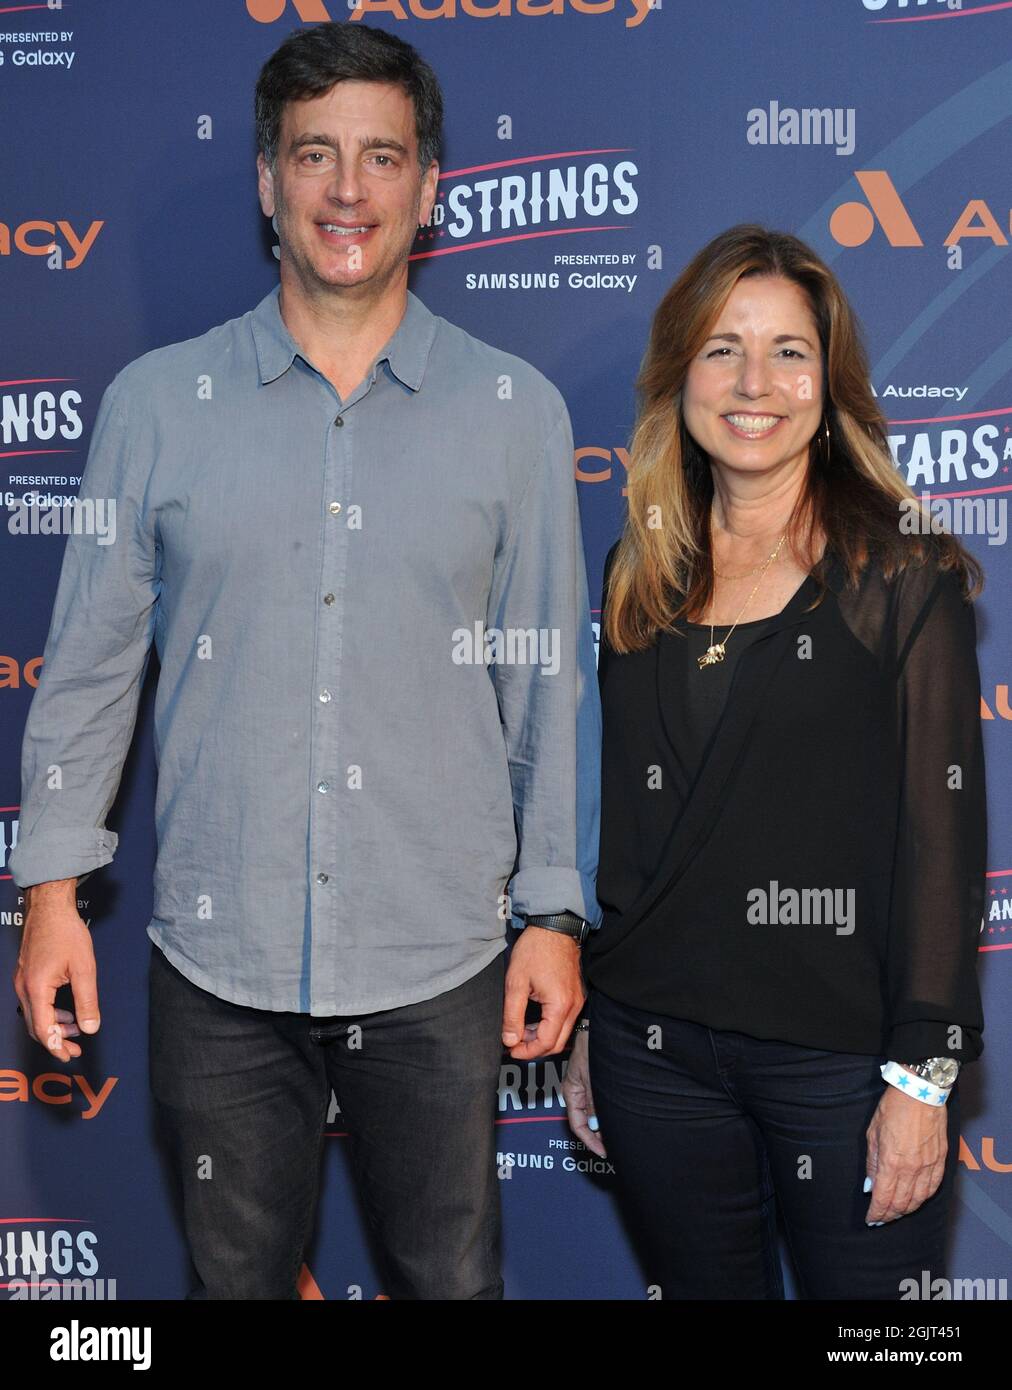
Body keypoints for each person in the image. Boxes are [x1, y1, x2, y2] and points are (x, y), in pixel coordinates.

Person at [10, 22, 600, 1301]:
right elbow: (94, 663)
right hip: (217, 967)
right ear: (267, 180)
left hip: (438, 960)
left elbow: (546, 683)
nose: (348, 190)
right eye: (315, 155)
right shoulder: (157, 407)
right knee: (234, 1284)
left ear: (429, 185)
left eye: (381, 156)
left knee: (450, 1281)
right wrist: (50, 892)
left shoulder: (513, 418)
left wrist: (551, 914)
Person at [563, 224, 987, 1300]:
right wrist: (588, 1029)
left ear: (828, 381)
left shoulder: (895, 573)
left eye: (789, 351)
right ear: (679, 377)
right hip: (650, 1052)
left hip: (843, 1067)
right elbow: (625, 824)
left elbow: (940, 845)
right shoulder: (638, 572)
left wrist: (921, 1083)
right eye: (722, 348)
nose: (755, 383)